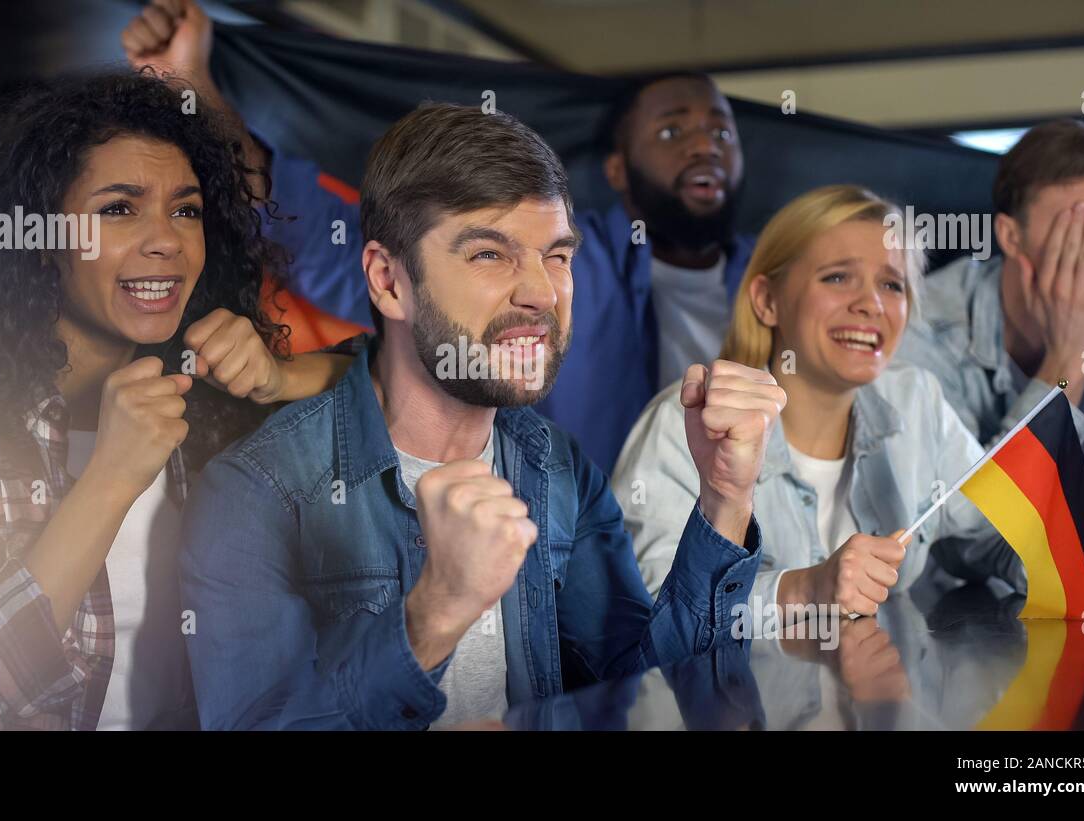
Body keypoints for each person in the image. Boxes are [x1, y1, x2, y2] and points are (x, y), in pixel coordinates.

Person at [178, 102, 782, 730]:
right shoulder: (256, 489)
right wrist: (435, 612)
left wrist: (725, 500)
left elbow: (647, 694)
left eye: (557, 256)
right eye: (490, 255)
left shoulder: (557, 468)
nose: (542, 293)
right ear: (388, 282)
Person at [0, 71, 350, 730]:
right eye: (119, 208)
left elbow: (419, 396)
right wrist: (110, 478)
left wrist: (282, 380)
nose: (165, 239)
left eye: (186, 209)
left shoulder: (205, 399)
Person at [120, 0, 753, 472]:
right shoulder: (557, 254)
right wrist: (190, 85)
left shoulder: (778, 277)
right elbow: (312, 237)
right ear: (616, 170)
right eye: (673, 131)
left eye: (722, 132)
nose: (705, 146)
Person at [612, 185, 1084, 618]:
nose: (871, 305)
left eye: (892, 284)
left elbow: (985, 540)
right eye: (837, 277)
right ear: (768, 301)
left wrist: (1076, 554)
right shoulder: (687, 424)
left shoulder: (916, 399)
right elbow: (647, 618)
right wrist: (803, 589)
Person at [895, 120, 1084, 538]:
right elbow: (967, 538)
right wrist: (1066, 365)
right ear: (1011, 236)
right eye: (1077, 230)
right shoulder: (919, 328)